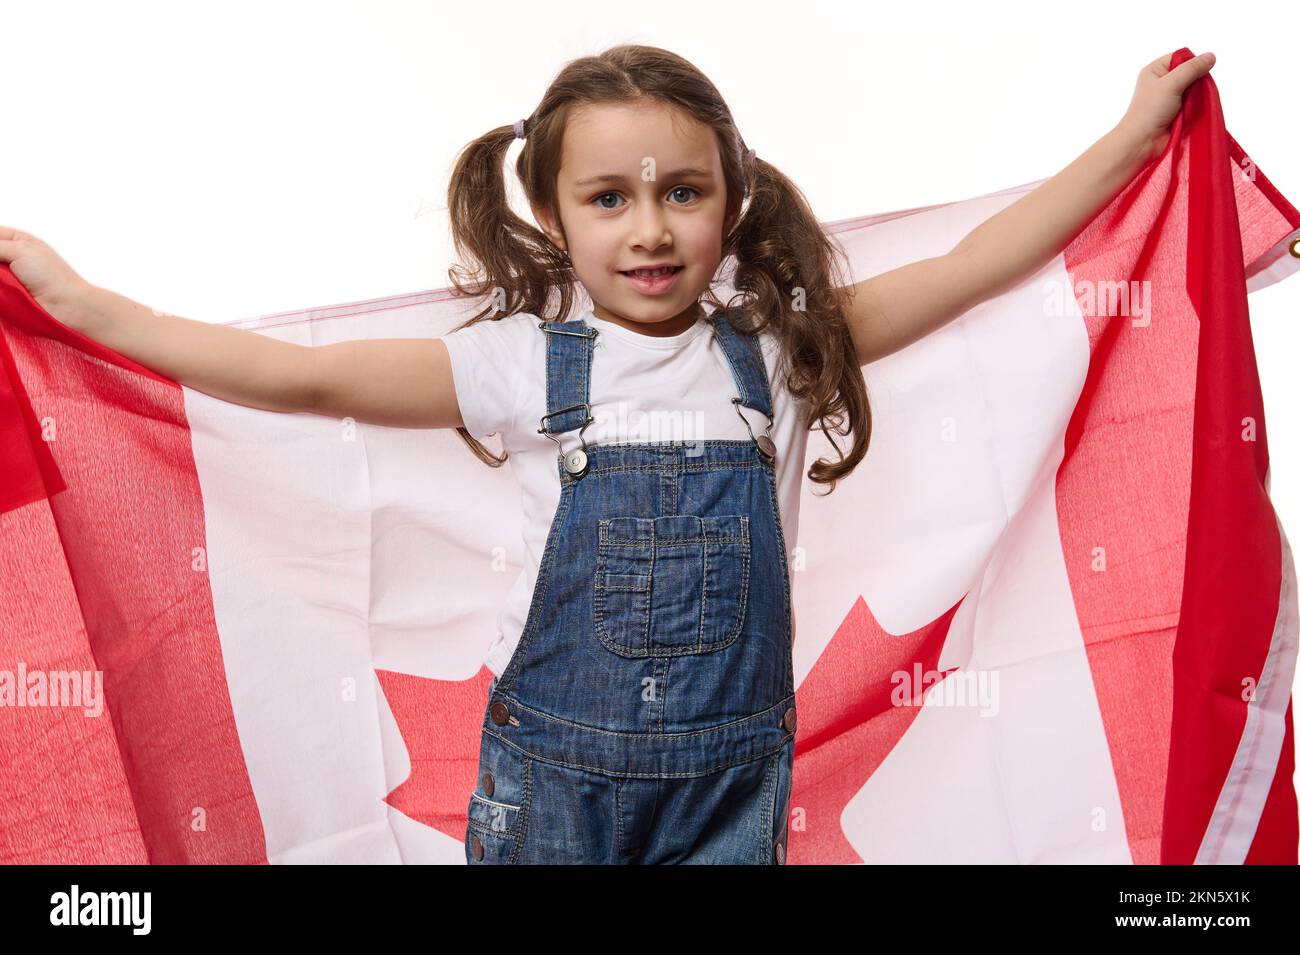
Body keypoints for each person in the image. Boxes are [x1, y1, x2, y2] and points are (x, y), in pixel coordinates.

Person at [0, 44, 1215, 864]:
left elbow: (974, 266)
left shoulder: (782, 349)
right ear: (552, 211)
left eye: (681, 192)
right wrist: (86, 301)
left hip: (729, 785)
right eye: (608, 199)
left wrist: (1128, 140)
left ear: (733, 197)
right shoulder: (523, 365)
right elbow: (303, 376)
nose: (649, 228)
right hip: (553, 791)